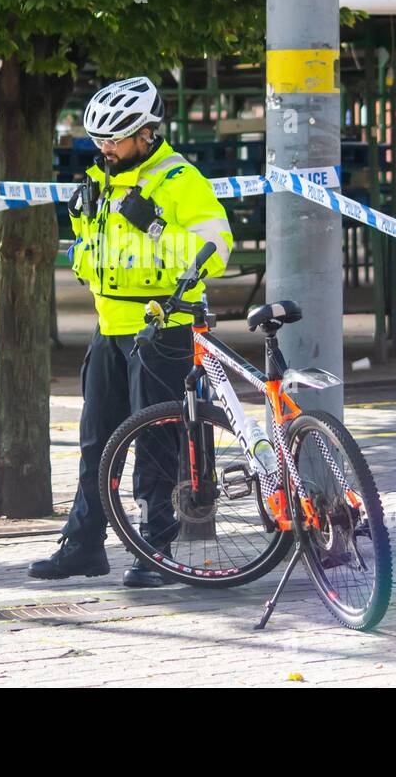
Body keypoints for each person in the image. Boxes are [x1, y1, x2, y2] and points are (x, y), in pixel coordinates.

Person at [28, 76, 234, 587]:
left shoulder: (180, 179)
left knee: (155, 444)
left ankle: (154, 551)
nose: (105, 148)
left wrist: (156, 227)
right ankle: (83, 545)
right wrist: (81, 247)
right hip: (110, 326)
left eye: (114, 139)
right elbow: (88, 252)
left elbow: (216, 251)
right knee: (96, 442)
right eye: (98, 139)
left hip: (163, 328)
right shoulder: (98, 180)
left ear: (146, 133)